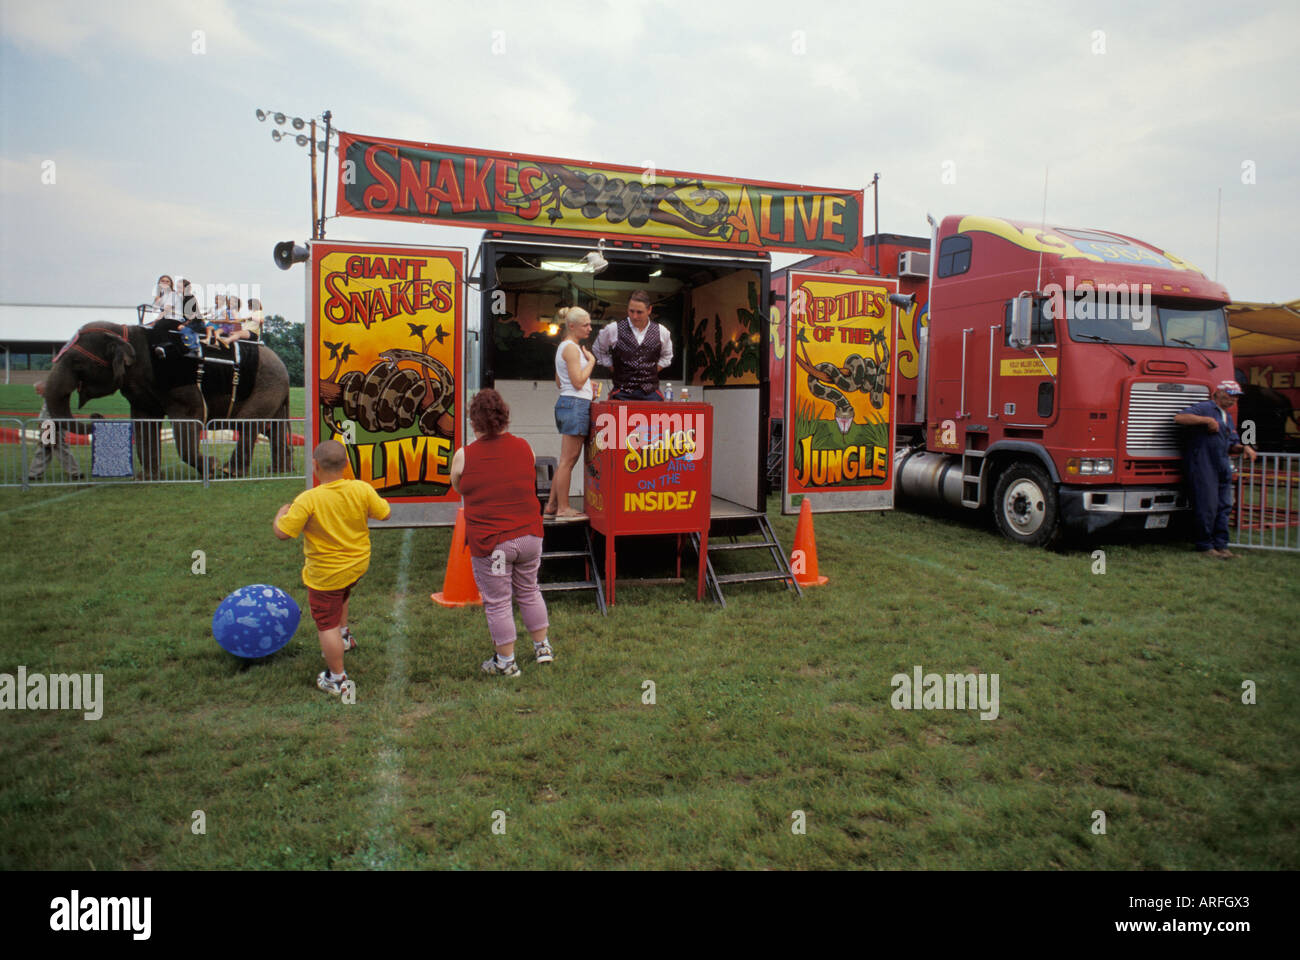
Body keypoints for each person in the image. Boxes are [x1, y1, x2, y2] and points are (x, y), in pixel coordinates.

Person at [272, 439, 392, 694]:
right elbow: (385, 513)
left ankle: (337, 679)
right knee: (343, 593)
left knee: (325, 625)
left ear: (314, 465)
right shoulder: (361, 489)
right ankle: (344, 636)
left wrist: (281, 513)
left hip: (326, 576)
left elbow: (283, 533)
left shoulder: (308, 499)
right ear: (346, 465)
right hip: (357, 566)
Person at [449, 388, 552, 677]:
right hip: (530, 537)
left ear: (473, 422)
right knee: (530, 590)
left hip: (495, 545)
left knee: (498, 601)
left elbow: (458, 486)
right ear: (505, 417)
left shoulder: (464, 456)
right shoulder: (525, 447)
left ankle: (506, 662)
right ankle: (542, 647)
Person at [1174, 380, 1258, 558]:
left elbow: (1231, 443)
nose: (1233, 399)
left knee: (1225, 505)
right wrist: (1206, 420)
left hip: (1222, 464)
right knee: (1207, 506)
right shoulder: (1205, 408)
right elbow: (1180, 418)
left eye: (1236, 396)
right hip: (1203, 464)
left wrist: (1244, 447)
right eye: (1230, 395)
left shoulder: (1228, 417)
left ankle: (1221, 545)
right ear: (1218, 393)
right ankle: (1205, 545)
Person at [544, 305, 596, 519]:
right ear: (572, 326)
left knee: (566, 459)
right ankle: (563, 508)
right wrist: (591, 362)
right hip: (575, 403)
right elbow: (576, 381)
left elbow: (560, 381)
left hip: (568, 401)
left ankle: (551, 505)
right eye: (586, 325)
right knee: (568, 460)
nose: (590, 328)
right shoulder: (572, 349)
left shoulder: (563, 347)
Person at [591, 290, 672, 400]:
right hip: (622, 392)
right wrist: (612, 366)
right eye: (631, 311)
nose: (634, 316)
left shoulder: (662, 331)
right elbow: (598, 349)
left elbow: (667, 356)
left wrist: (652, 370)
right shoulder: (613, 329)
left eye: (639, 312)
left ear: (649, 310)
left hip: (650, 392)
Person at [27, 380, 82, 481]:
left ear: (45, 388)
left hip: (51, 426)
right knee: (46, 449)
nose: (37, 392)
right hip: (49, 426)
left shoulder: (53, 397)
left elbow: (53, 413)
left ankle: (75, 472)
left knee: (58, 449)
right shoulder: (50, 397)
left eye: (38, 390)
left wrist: (47, 425)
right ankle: (34, 473)